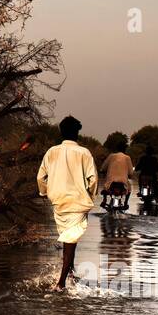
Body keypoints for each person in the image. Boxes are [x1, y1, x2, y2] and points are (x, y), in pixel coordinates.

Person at [36, 115, 98, 292]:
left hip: (58, 202)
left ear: (61, 132)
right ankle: (61, 283)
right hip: (78, 202)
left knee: (69, 238)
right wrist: (90, 197)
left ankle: (69, 273)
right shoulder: (84, 153)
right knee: (70, 240)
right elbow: (93, 179)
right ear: (77, 132)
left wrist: (44, 192)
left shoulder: (51, 152)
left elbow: (41, 177)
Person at [99, 139, 134, 208]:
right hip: (123, 184)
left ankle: (104, 200)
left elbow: (102, 169)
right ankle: (125, 203)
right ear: (125, 149)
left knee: (105, 187)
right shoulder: (127, 158)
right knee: (129, 189)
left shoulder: (111, 156)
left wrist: (103, 172)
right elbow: (131, 174)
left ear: (116, 148)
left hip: (111, 184)